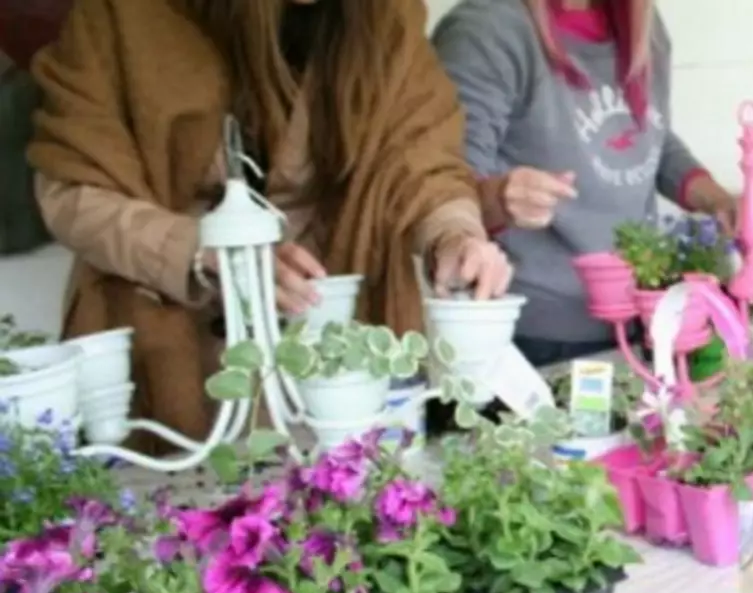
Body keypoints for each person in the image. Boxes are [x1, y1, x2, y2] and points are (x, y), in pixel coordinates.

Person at [27, 0, 512, 446]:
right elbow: (71, 192)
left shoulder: (384, 18)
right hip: (162, 337)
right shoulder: (126, 15)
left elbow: (422, 161)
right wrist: (201, 250)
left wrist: (453, 234)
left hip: (324, 334)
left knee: (333, 523)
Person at [432, 0, 738, 367]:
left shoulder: (642, 24)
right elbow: (441, 188)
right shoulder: (485, 31)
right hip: (532, 341)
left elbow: (649, 135)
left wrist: (716, 200)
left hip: (643, 321)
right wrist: (499, 197)